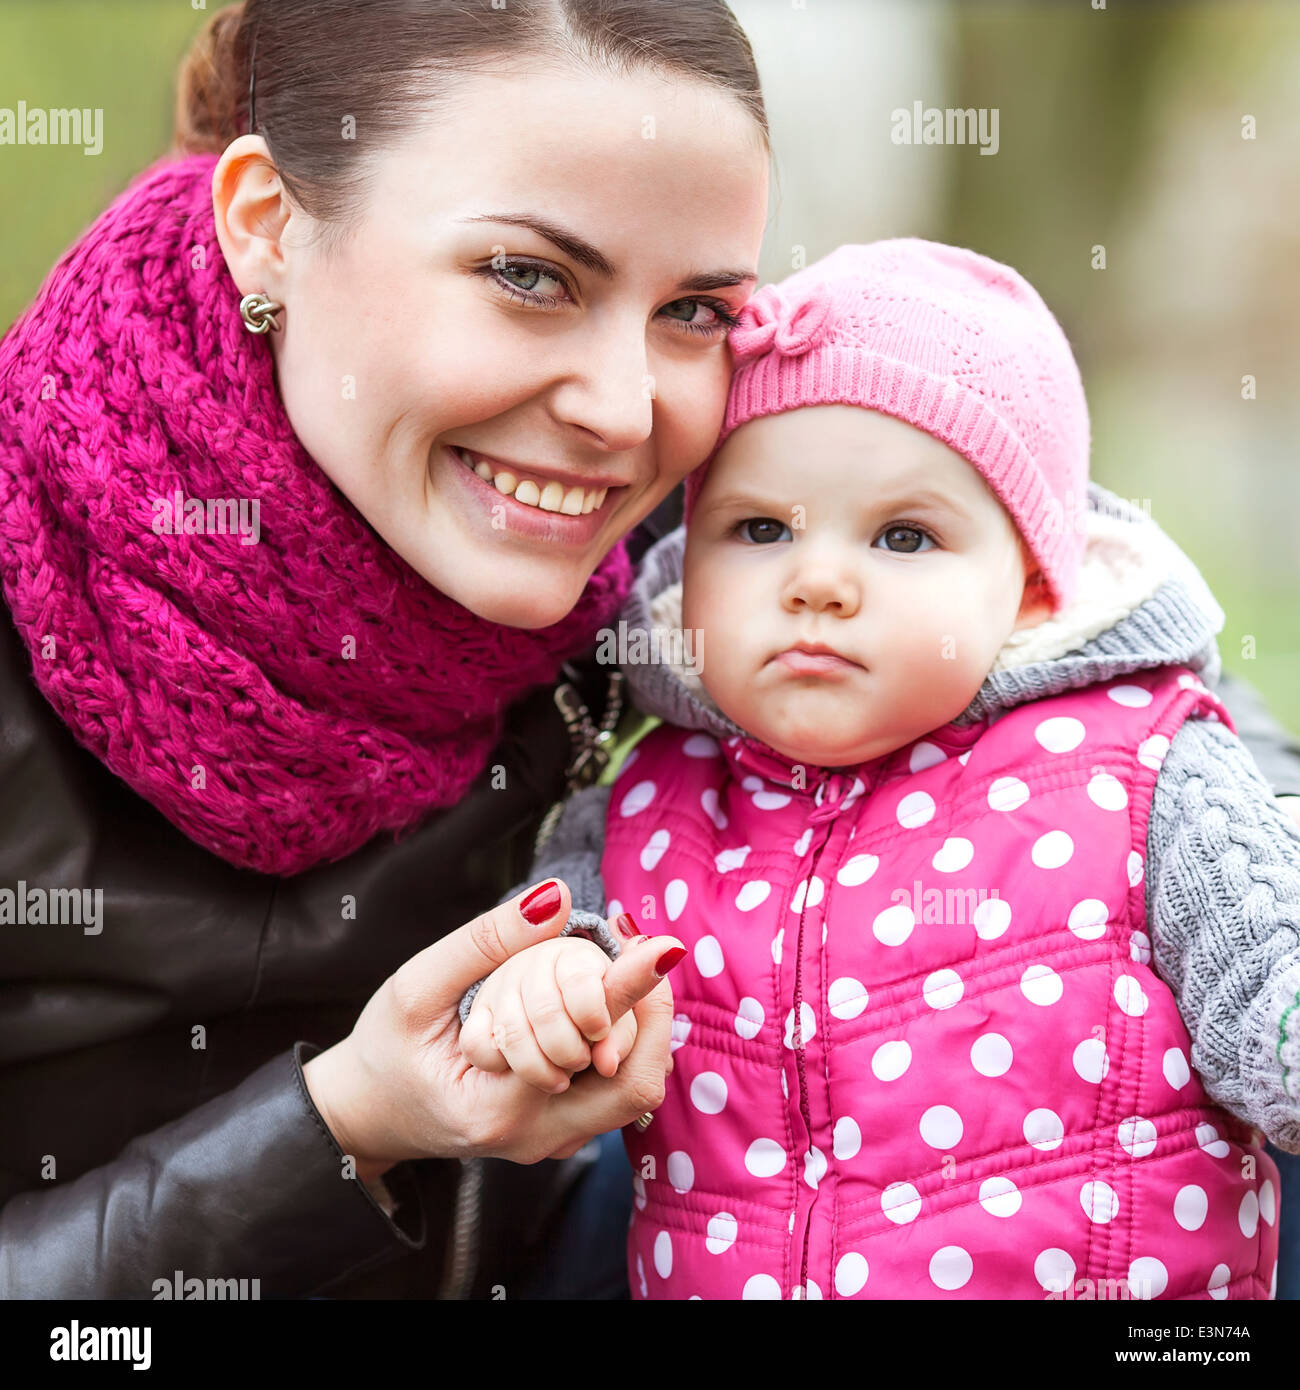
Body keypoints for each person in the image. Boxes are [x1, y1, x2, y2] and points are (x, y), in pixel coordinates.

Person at [0, 0, 770, 1297]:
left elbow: (1056, 633)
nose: (625, 411)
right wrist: (343, 1124)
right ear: (266, 227)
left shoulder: (673, 583)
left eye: (693, 310)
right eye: (531, 276)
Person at [459, 240, 1300, 1298]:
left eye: (902, 537)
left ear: (1037, 585)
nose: (817, 580)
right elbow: (531, 1012)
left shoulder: (1146, 773)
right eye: (760, 528)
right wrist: (544, 999)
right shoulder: (643, 809)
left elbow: (1270, 987)